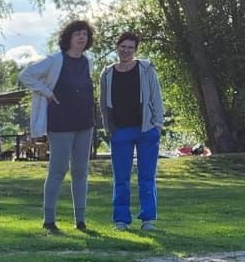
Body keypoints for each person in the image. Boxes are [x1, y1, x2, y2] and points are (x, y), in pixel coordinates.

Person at [17, 20, 98, 233]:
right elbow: (26, 76)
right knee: (58, 170)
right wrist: (47, 92)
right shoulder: (54, 60)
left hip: (84, 122)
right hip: (61, 122)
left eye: (84, 34)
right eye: (77, 34)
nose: (81, 38)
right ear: (68, 38)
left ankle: (80, 220)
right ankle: (49, 219)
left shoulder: (87, 62)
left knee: (80, 171)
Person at [99, 31, 164, 228]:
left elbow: (156, 97)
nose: (126, 50)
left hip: (146, 129)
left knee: (146, 177)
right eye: (123, 46)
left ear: (135, 50)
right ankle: (121, 219)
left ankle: (148, 219)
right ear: (117, 47)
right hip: (120, 131)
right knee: (121, 178)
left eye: (130, 48)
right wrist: (108, 127)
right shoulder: (107, 73)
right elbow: (103, 104)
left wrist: (158, 124)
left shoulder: (146, 69)